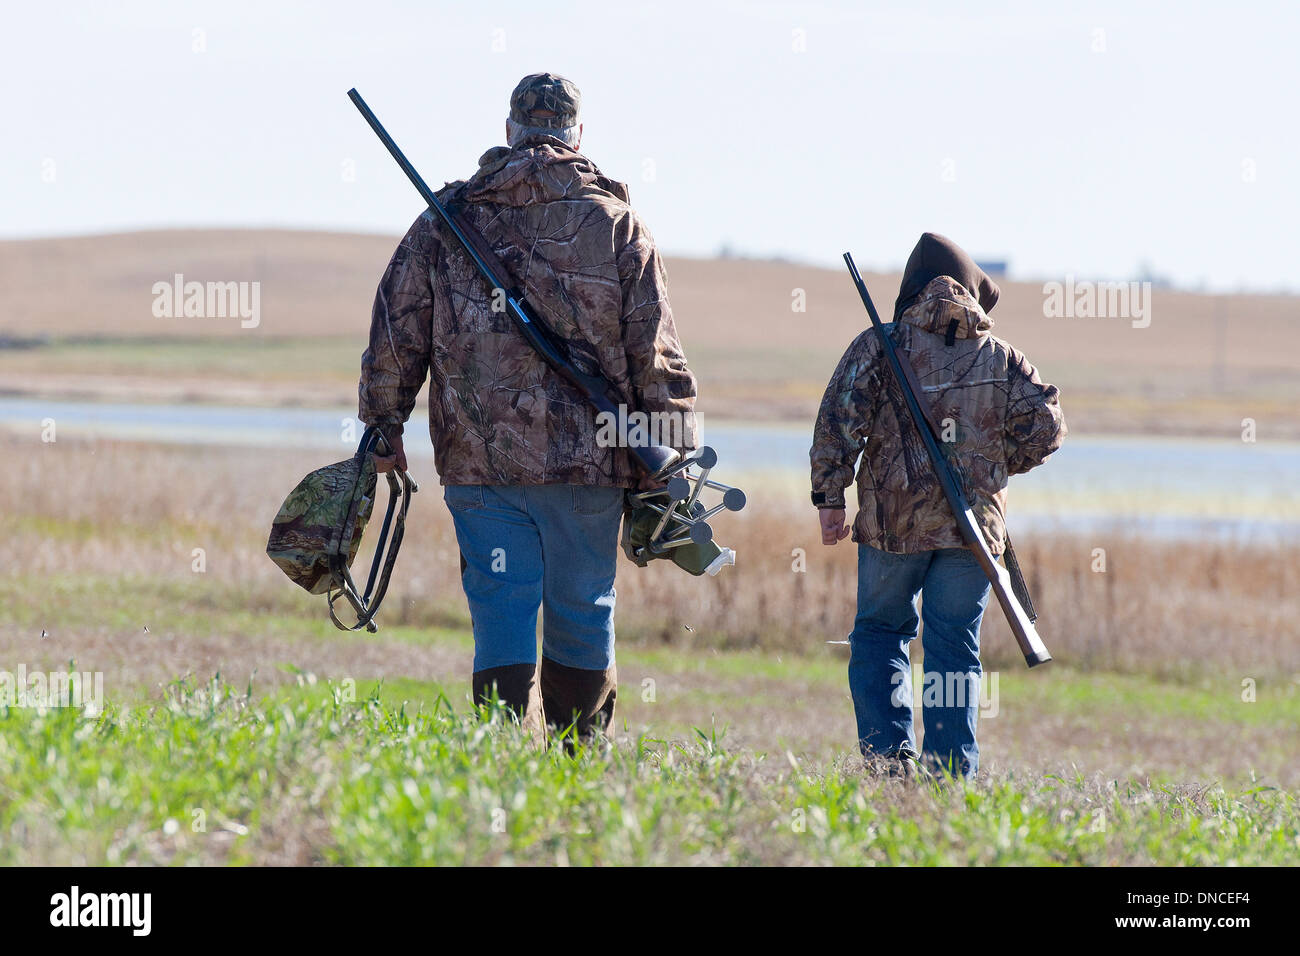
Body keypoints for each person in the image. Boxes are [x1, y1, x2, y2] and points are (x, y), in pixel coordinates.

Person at [357, 73, 698, 743]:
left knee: (500, 611)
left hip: (479, 463)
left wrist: (382, 424)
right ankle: (577, 766)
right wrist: (673, 457)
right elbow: (655, 356)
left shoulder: (446, 218)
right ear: (578, 134)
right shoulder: (618, 225)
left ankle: (504, 756)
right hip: (589, 466)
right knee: (583, 609)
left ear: (510, 129)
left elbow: (396, 332)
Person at [810, 233, 1065, 777]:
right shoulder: (1000, 357)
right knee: (954, 650)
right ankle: (951, 775)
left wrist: (830, 498)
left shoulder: (879, 344)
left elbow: (838, 423)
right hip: (971, 536)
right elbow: (1048, 427)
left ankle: (888, 764)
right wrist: (994, 467)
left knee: (880, 634)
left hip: (891, 527)